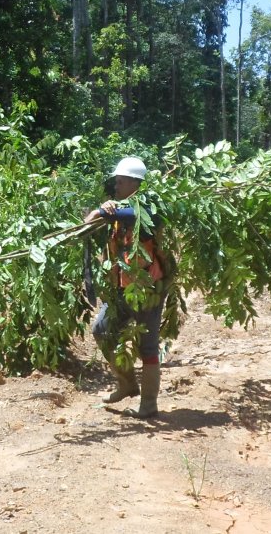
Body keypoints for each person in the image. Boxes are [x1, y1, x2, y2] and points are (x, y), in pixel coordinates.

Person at [84, 157, 169, 418]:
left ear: (135, 183)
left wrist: (105, 211)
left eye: (120, 181)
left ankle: (149, 404)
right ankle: (127, 383)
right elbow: (91, 221)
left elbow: (139, 216)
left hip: (147, 287)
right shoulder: (118, 207)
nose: (116, 185)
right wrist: (103, 209)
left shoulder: (151, 205)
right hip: (121, 286)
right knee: (101, 330)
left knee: (148, 347)